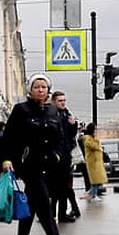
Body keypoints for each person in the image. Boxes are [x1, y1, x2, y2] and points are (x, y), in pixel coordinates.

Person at [0, 73, 71, 235]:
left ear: (48, 90)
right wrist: (6, 159)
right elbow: (9, 138)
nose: (40, 90)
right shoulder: (21, 110)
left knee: (32, 202)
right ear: (30, 90)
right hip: (28, 163)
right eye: (37, 87)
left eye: (44, 87)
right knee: (44, 202)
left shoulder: (52, 111)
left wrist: (57, 155)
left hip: (49, 164)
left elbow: (60, 137)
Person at [50, 91, 81, 222]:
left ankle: (62, 214)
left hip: (65, 155)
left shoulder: (67, 114)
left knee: (64, 188)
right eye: (60, 100)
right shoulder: (50, 114)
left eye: (64, 100)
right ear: (53, 101)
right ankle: (51, 214)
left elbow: (71, 135)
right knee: (54, 189)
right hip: (54, 155)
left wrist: (73, 125)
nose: (63, 103)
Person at [81, 123, 108, 202]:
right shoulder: (88, 138)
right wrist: (96, 142)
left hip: (97, 162)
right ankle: (93, 195)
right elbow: (93, 146)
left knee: (99, 179)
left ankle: (90, 192)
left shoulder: (94, 138)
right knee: (95, 180)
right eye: (95, 129)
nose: (96, 131)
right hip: (93, 162)